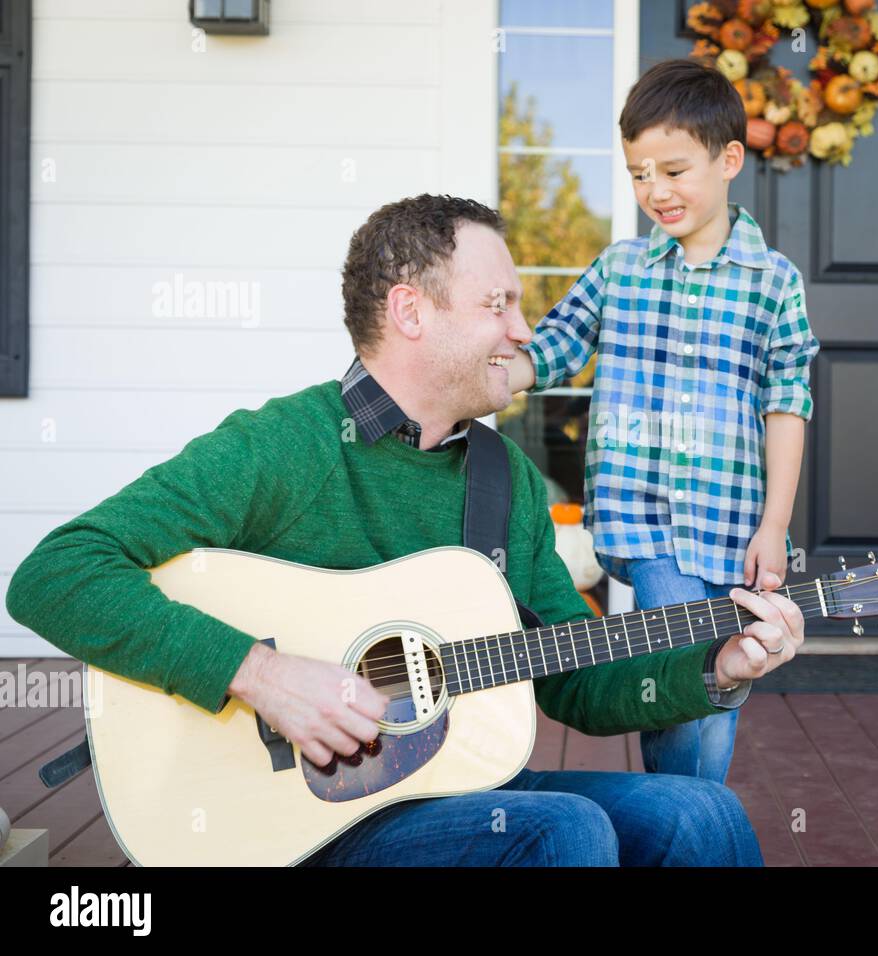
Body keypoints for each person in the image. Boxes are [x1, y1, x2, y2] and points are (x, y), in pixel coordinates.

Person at [4, 194, 807, 867]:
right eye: (499, 304)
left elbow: (572, 676)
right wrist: (262, 677)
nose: (526, 331)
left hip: (458, 786)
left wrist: (720, 665)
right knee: (566, 830)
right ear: (410, 311)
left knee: (702, 814)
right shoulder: (284, 445)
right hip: (300, 817)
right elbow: (56, 573)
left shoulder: (506, 481)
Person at [507, 60, 820, 783]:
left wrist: (775, 525)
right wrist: (487, 372)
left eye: (674, 170)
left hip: (735, 526)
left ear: (729, 159)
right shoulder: (622, 270)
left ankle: (682, 822)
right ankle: (687, 822)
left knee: (717, 694)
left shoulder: (773, 282)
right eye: (639, 174)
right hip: (648, 527)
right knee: (686, 680)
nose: (656, 191)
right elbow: (555, 348)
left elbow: (786, 405)